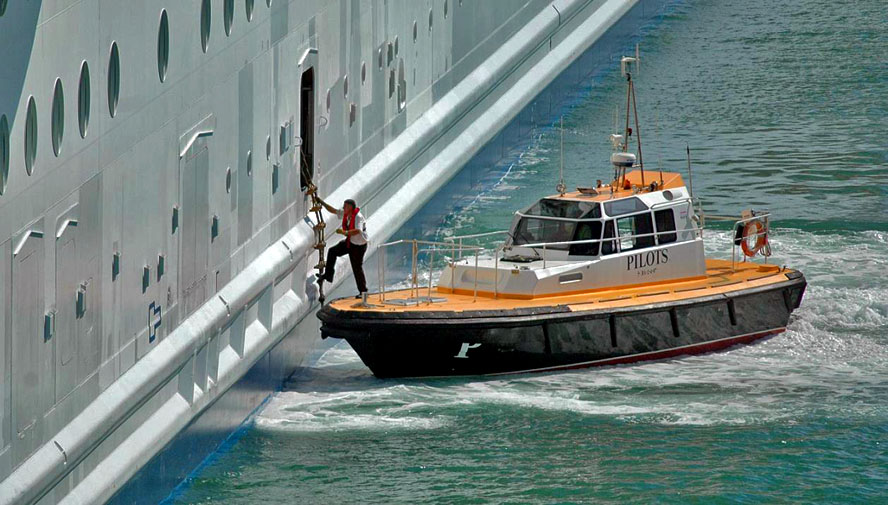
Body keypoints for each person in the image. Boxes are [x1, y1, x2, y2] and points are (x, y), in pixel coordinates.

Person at [316, 197, 369, 298]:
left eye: (345, 206)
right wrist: (321, 202)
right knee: (332, 251)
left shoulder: (358, 217)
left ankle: (363, 292)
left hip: (359, 246)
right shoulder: (346, 214)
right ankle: (328, 275)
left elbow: (358, 230)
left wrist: (345, 232)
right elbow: (333, 210)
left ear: (350, 207)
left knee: (357, 268)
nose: (343, 208)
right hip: (351, 243)